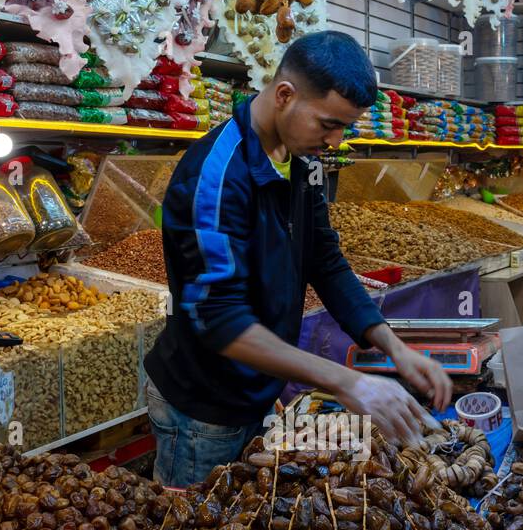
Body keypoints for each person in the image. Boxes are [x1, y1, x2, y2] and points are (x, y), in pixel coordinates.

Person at [144, 30, 453, 488]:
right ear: (285, 95)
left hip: (258, 392)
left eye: (345, 126)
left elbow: (324, 261)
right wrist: (347, 382)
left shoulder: (301, 160)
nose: (336, 139)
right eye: (328, 123)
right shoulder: (216, 177)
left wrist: (395, 348)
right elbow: (220, 320)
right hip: (202, 412)